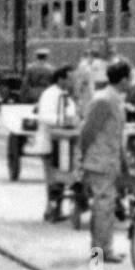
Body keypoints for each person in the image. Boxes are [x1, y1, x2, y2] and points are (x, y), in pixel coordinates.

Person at [79, 60, 132, 265]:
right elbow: (88, 131)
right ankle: (99, 255)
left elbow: (116, 135)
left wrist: (123, 161)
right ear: (124, 79)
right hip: (100, 160)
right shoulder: (105, 100)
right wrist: (82, 159)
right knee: (103, 208)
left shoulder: (114, 98)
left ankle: (105, 249)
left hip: (109, 160)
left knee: (106, 208)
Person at [33, 65, 80, 222]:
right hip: (49, 142)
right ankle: (51, 210)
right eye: (70, 78)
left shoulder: (64, 94)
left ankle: (54, 209)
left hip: (63, 142)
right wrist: (63, 121)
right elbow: (45, 116)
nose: (73, 81)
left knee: (60, 177)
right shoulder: (50, 94)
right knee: (52, 179)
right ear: (61, 79)